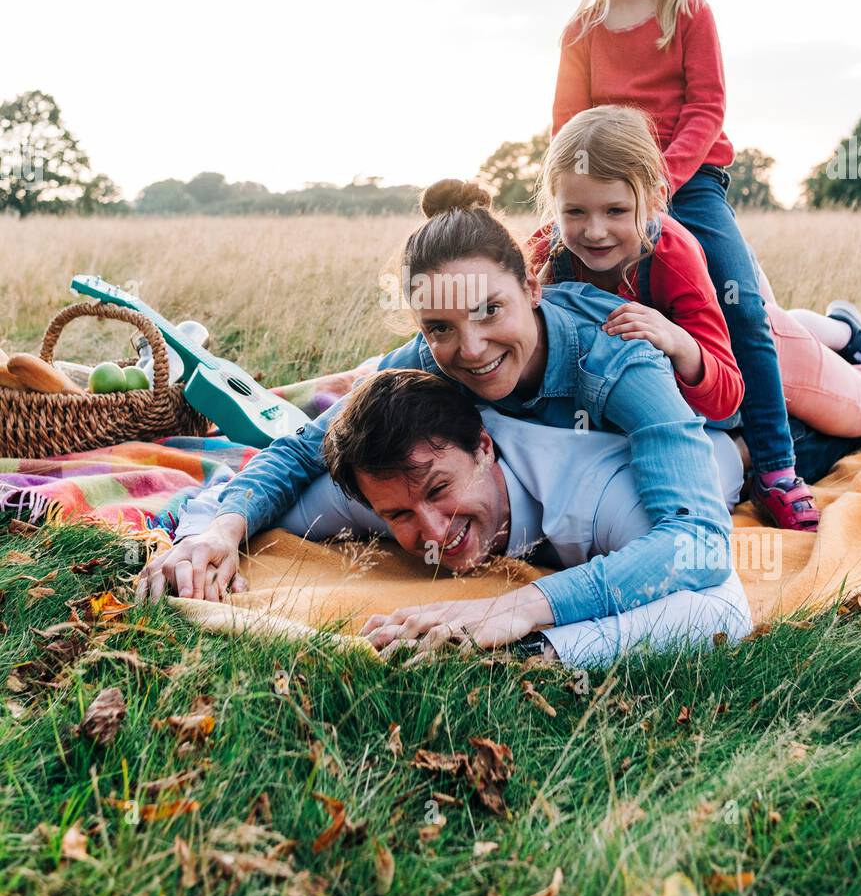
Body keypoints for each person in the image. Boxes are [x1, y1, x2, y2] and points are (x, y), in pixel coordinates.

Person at [136, 180, 734, 613]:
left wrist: (525, 606)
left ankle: (831, 331)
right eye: (440, 326)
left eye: (490, 311)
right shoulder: (428, 360)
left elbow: (697, 540)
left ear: (532, 286)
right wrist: (218, 530)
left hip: (724, 414)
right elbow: (304, 449)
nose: (470, 350)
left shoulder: (615, 358)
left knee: (795, 376)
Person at [550, 0, 817, 530]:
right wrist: (580, 200)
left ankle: (777, 464)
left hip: (687, 182)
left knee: (740, 303)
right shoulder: (581, 31)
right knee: (553, 284)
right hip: (599, 189)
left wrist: (657, 186)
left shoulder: (689, 13)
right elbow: (567, 127)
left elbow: (707, 108)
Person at [170, 368, 753, 666]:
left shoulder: (600, 494)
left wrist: (528, 632)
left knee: (818, 394)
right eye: (398, 514)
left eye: (441, 489)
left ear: (484, 449)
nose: (432, 532)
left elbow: (722, 602)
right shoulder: (384, 485)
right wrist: (209, 532)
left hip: (730, 439)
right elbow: (272, 475)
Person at [532, 105, 861, 455]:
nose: (595, 231)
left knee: (858, 416)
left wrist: (678, 340)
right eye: (574, 212)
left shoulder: (672, 256)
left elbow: (728, 397)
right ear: (555, 205)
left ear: (654, 201)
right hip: (704, 375)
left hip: (769, 356)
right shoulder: (548, 252)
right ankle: (839, 326)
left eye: (616, 210)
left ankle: (845, 330)